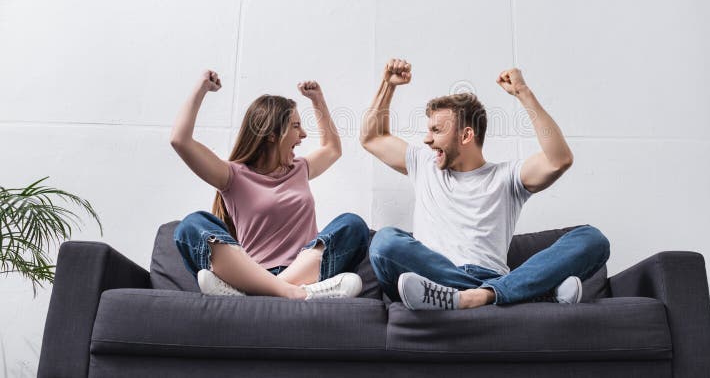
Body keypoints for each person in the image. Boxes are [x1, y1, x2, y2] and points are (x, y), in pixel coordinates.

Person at [360, 58, 610, 310]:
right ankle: (513, 293)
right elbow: (372, 137)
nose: (427, 139)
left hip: (487, 276)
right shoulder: (424, 164)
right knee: (385, 242)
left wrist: (524, 94)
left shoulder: (508, 177)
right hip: (430, 277)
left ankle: (480, 295)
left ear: (466, 135)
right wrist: (387, 86)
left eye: (436, 130)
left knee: (592, 239)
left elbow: (559, 160)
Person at [171, 70, 368, 299]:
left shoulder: (300, 168)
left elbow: (332, 148)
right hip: (251, 271)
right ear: (272, 135)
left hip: (303, 271)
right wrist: (201, 88)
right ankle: (292, 292)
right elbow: (180, 140)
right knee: (191, 225)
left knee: (353, 225)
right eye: (295, 126)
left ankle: (257, 292)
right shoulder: (233, 175)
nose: (303, 134)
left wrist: (318, 99)